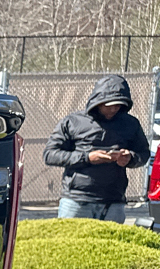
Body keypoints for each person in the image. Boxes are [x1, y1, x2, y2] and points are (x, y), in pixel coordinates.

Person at [43, 74, 151, 221]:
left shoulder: (130, 124)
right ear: (99, 101)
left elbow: (143, 154)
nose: (114, 109)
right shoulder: (73, 121)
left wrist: (130, 158)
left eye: (118, 105)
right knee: (73, 243)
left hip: (114, 202)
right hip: (77, 200)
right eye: (110, 105)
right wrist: (87, 157)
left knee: (111, 244)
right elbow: (50, 154)